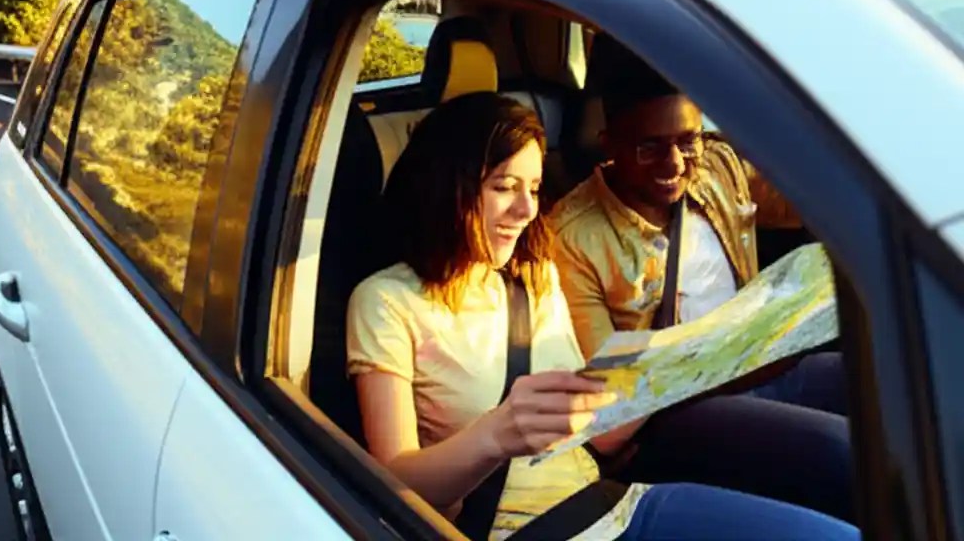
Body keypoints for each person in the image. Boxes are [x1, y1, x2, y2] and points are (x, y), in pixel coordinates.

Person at [346, 92, 855, 540]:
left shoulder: (532, 277)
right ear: (449, 186)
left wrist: (691, 357)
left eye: (534, 188)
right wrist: (494, 435)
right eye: (504, 187)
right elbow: (396, 486)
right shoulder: (386, 301)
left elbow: (601, 431)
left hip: (615, 502)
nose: (527, 210)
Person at [549, 34, 852, 521]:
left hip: (764, 361)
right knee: (843, 455)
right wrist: (691, 355)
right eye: (650, 148)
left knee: (898, 384)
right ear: (610, 146)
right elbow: (608, 397)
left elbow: (806, 201)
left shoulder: (715, 165)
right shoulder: (571, 237)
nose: (674, 165)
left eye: (686, 142)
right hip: (673, 411)